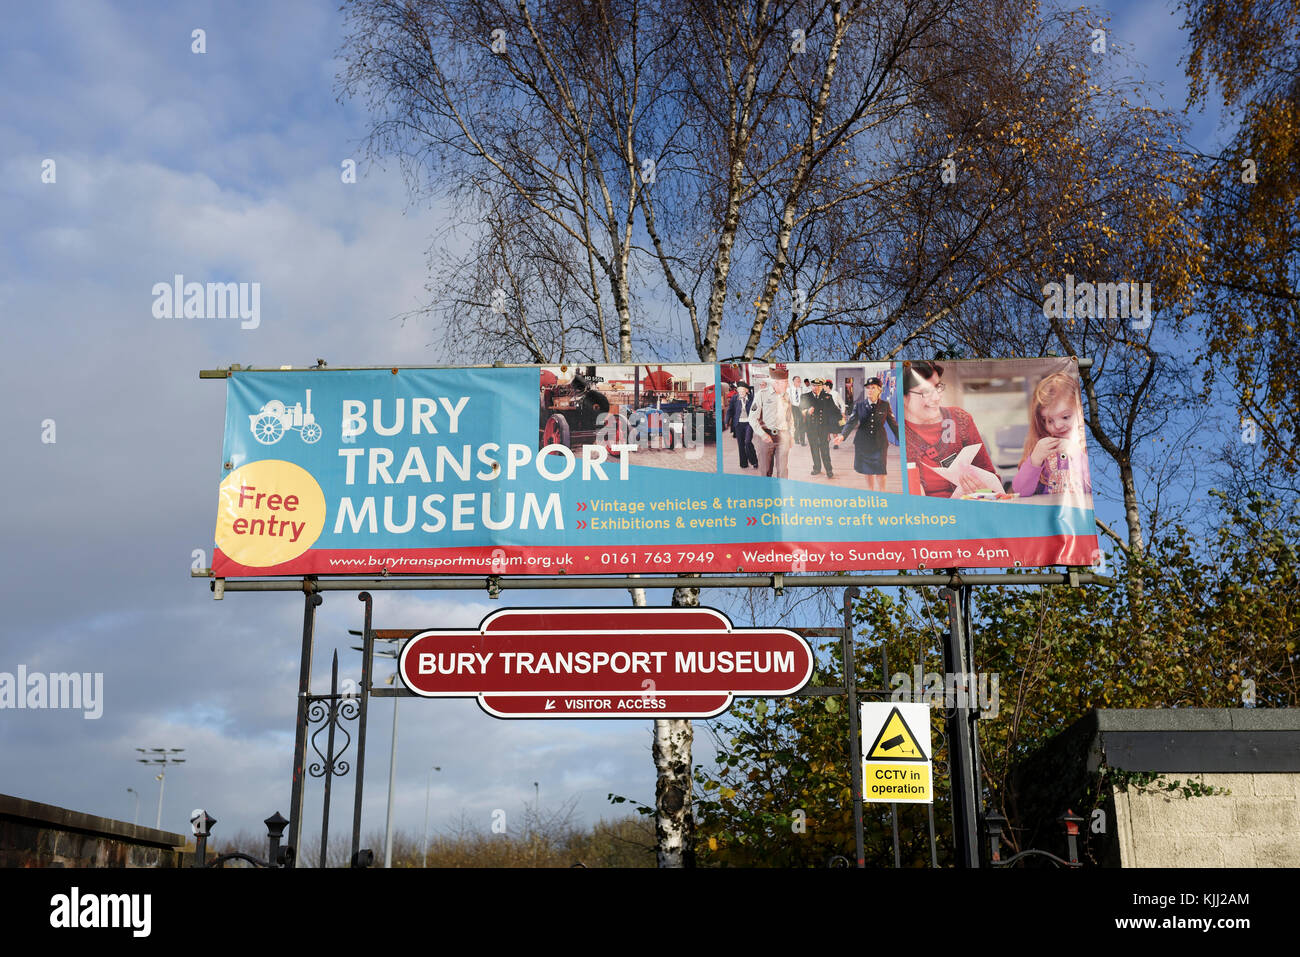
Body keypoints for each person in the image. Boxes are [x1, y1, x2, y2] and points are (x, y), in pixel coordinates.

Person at [903, 360, 998, 496]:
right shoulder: (895, 434)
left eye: (937, 387)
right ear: (904, 398)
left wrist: (984, 490)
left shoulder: (960, 419)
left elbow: (990, 478)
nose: (936, 397)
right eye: (925, 392)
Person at [1012, 372, 1091, 497]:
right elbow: (1020, 492)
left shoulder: (1089, 443)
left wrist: (1076, 453)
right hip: (1045, 514)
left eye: (1065, 417)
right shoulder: (1041, 446)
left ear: (1080, 411)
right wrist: (1035, 459)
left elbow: (1094, 488)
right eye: (1049, 420)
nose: (1058, 426)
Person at [834, 376, 898, 491]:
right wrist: (842, 436)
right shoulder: (859, 405)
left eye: (873, 388)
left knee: (881, 471)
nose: (870, 390)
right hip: (863, 443)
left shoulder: (885, 405)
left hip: (880, 443)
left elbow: (893, 424)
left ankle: (883, 494)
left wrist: (903, 440)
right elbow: (850, 423)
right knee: (868, 471)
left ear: (879, 390)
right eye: (868, 388)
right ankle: (871, 492)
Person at [748, 366, 795, 478]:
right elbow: (752, 418)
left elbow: (790, 418)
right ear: (776, 382)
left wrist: (792, 435)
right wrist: (762, 434)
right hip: (766, 436)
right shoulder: (762, 394)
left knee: (783, 470)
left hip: (783, 436)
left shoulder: (787, 396)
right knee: (765, 471)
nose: (788, 385)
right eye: (785, 382)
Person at [801, 379, 841, 478]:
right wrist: (807, 412)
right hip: (811, 428)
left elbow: (835, 410)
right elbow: (800, 409)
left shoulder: (827, 397)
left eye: (818, 386)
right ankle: (817, 468)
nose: (816, 388)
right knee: (814, 449)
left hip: (823, 428)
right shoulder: (805, 396)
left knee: (825, 450)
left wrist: (842, 422)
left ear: (822, 386)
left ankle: (829, 470)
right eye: (814, 386)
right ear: (811, 386)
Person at [728, 382, 758, 469]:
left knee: (747, 442)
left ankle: (753, 461)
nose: (740, 392)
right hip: (738, 424)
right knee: (741, 444)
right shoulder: (734, 398)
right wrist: (727, 420)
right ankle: (743, 463)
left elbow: (756, 409)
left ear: (746, 391)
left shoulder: (752, 399)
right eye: (739, 391)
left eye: (742, 391)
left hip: (749, 423)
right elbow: (730, 410)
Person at [789, 375, 806, 446]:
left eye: (799, 381)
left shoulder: (802, 389)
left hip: (801, 407)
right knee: (795, 423)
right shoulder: (789, 389)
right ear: (793, 381)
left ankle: (802, 441)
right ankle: (796, 439)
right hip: (793, 407)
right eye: (797, 380)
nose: (799, 382)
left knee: (802, 424)